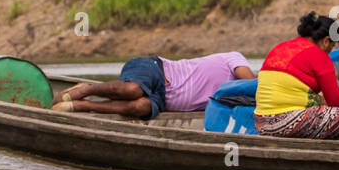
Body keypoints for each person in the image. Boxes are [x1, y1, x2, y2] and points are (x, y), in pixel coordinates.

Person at [253, 12, 339, 140]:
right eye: (332, 46)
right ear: (326, 40)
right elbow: (335, 100)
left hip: (261, 123)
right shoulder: (319, 55)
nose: (330, 51)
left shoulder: (280, 47)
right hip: (284, 122)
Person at [53, 52, 254, 118]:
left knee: (140, 106)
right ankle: (85, 89)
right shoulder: (236, 60)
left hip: (161, 100)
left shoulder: (232, 100)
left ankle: (85, 106)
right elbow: (250, 83)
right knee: (133, 90)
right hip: (157, 70)